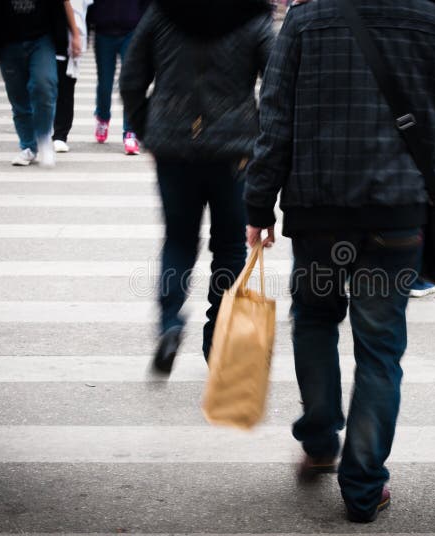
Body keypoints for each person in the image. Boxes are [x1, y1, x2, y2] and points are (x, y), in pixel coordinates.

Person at [244, 0, 435, 523]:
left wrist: (258, 204)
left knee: (314, 319)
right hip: (397, 215)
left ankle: (322, 435)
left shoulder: (307, 20)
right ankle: (364, 486)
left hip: (318, 211)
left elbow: (275, 115)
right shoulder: (434, 20)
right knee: (380, 349)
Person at [120, 0, 275, 373]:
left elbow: (131, 76)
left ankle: (170, 323)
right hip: (235, 153)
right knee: (229, 248)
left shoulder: (163, 12)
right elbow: (276, 86)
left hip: (174, 148)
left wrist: (147, 130)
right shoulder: (254, 15)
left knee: (178, 239)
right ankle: (218, 339)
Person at [0, 0, 82, 166]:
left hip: (42, 40)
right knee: (18, 97)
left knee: (44, 85)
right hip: (8, 41)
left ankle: (43, 138)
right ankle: (28, 146)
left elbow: (64, 2)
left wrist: (75, 35)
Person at [88, 0, 151, 155]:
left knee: (130, 83)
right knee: (105, 83)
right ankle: (103, 117)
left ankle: (130, 132)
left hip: (131, 31)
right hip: (103, 32)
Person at [53, 0, 94, 153]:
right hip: (45, 36)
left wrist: (80, 37)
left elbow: (87, 13)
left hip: (70, 40)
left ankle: (60, 135)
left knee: (65, 89)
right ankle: (37, 134)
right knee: (42, 87)